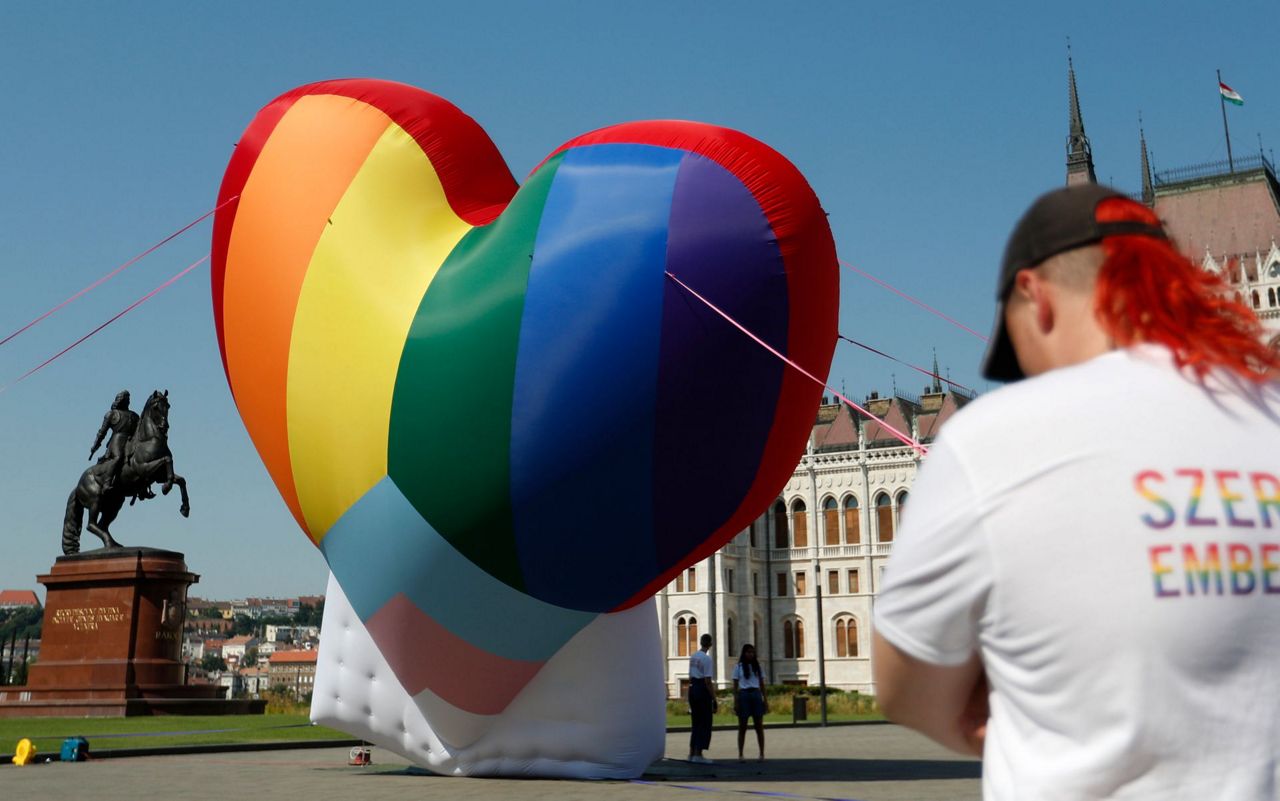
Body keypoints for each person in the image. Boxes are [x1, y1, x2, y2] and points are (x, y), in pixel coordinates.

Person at [873, 184, 1280, 800]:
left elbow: (905, 686)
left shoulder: (989, 440)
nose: (1032, 375)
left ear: (1035, 299)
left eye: (1019, 354)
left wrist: (1038, 714)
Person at [89, 390, 138, 493]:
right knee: (118, 457)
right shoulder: (111, 414)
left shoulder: (134, 415)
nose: (128, 401)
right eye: (126, 399)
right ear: (121, 400)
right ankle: (107, 482)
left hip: (131, 440)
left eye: (129, 399)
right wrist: (95, 446)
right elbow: (102, 433)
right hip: (117, 440)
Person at [731, 643, 766, 761]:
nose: (750, 654)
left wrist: (765, 699)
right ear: (744, 653)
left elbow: (762, 684)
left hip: (755, 694)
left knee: (759, 726)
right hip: (744, 695)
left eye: (752, 652)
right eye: (748, 652)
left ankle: (761, 753)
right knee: (742, 726)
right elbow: (735, 685)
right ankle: (740, 754)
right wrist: (735, 701)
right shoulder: (739, 667)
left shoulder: (758, 667)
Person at [687, 633, 715, 763]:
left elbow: (690, 676)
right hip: (702, 689)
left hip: (692, 688)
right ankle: (698, 754)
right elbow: (707, 680)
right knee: (704, 721)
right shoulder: (706, 659)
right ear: (710, 644)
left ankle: (692, 752)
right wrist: (714, 698)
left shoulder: (693, 656)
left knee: (696, 722)